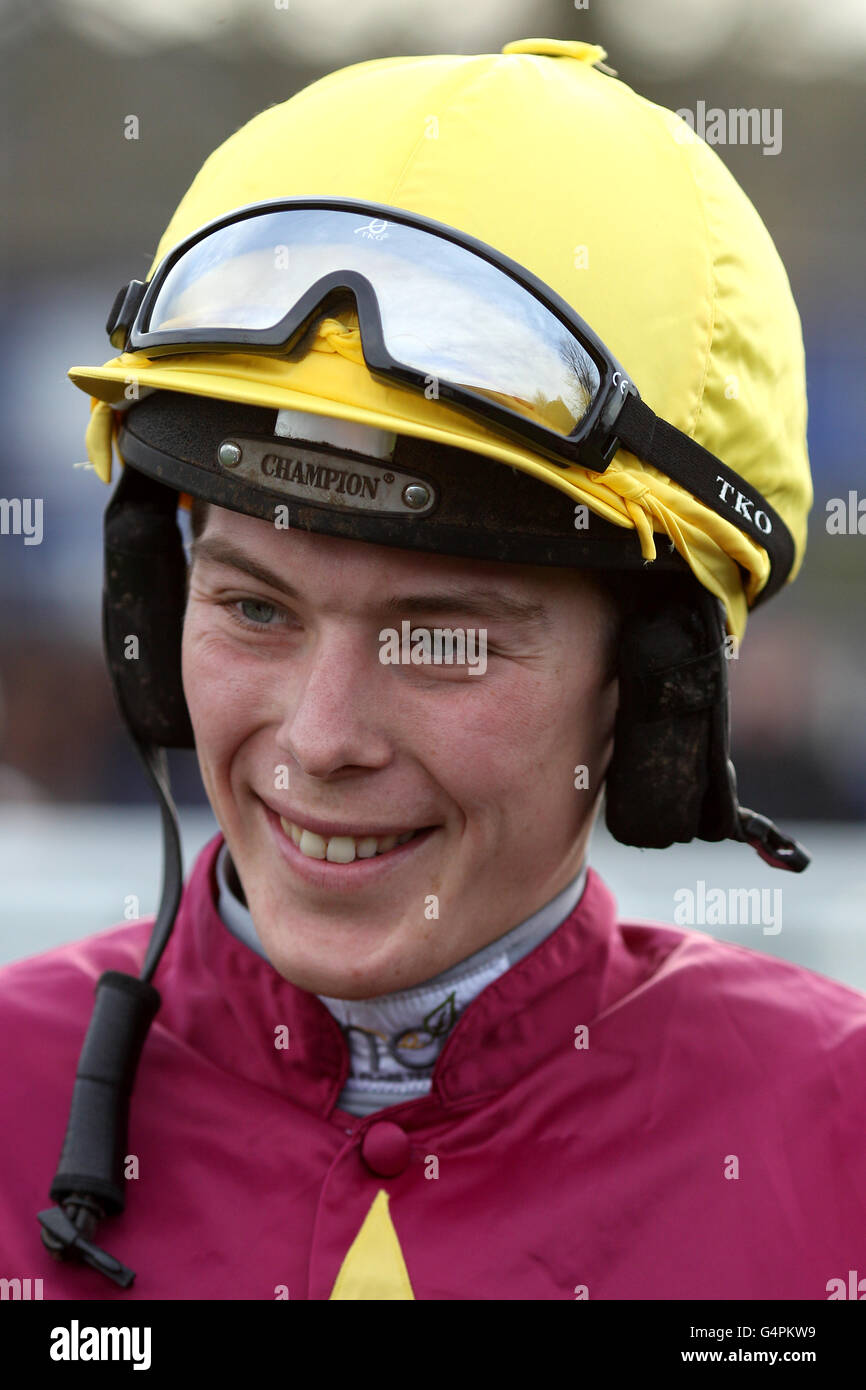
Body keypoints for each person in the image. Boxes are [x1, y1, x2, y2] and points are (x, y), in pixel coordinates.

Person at [1, 36, 864, 1302]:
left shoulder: (834, 1145)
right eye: (252, 607)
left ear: (657, 685)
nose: (320, 734)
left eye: (440, 638)